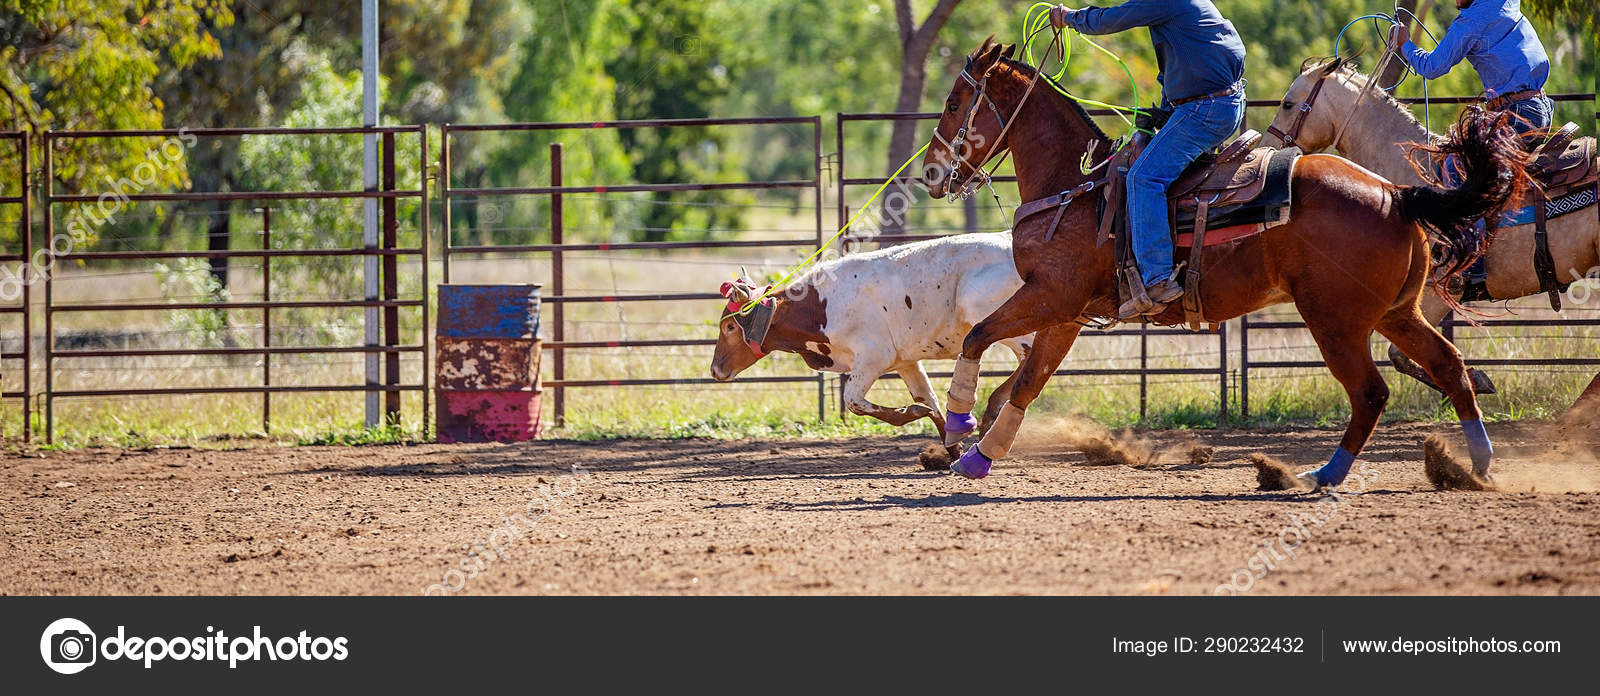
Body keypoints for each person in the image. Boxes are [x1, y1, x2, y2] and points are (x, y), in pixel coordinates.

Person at [1049, 1, 1247, 319]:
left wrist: (1071, 18)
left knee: (1144, 178)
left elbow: (1113, 18)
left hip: (1204, 110)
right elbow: (1188, 56)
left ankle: (1156, 279)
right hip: (1217, 103)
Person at [1389, 0, 1552, 135]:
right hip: (1542, 108)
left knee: (1453, 167)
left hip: (1516, 114)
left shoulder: (1470, 22)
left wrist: (1405, 44)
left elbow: (1432, 67)